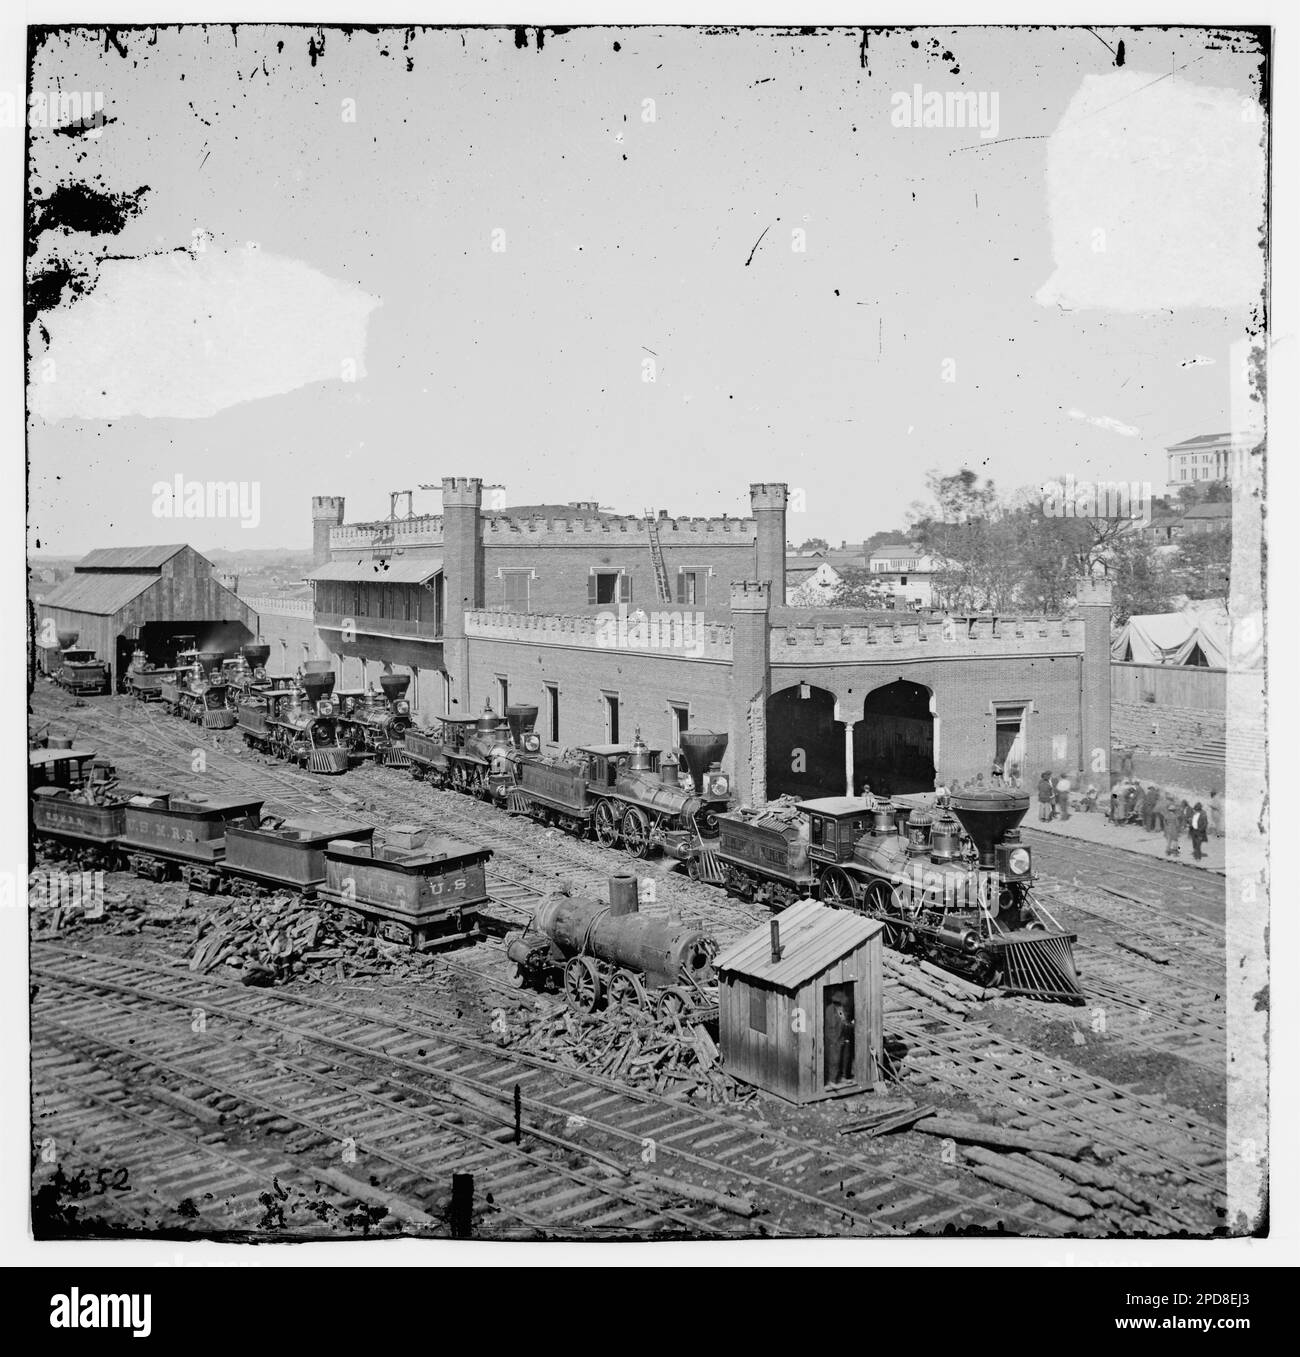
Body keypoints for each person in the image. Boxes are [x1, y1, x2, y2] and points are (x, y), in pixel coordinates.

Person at [824, 990, 855, 1086]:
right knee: (834, 1059)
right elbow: (833, 1025)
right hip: (833, 1038)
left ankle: (843, 1077)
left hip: (842, 1037)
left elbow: (844, 1021)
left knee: (845, 1057)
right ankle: (832, 1079)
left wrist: (849, 1025)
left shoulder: (840, 1010)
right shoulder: (830, 1010)